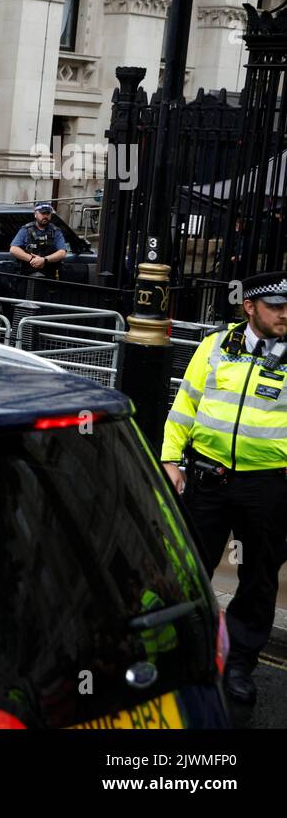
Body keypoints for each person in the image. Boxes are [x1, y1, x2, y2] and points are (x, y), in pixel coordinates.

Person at [161, 270, 287, 706]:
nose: (285, 314)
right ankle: (183, 650)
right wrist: (170, 459)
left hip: (269, 487)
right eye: (276, 307)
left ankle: (238, 666)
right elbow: (186, 402)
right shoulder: (216, 346)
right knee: (190, 567)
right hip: (208, 478)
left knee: (257, 580)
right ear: (250, 307)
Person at [9, 201, 68, 277]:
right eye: (43, 213)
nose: (45, 216)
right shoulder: (26, 230)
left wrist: (44, 260)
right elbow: (13, 249)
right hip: (28, 274)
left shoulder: (56, 231)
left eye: (48, 213)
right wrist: (31, 259)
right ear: (35, 214)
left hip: (49, 275)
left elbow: (62, 253)